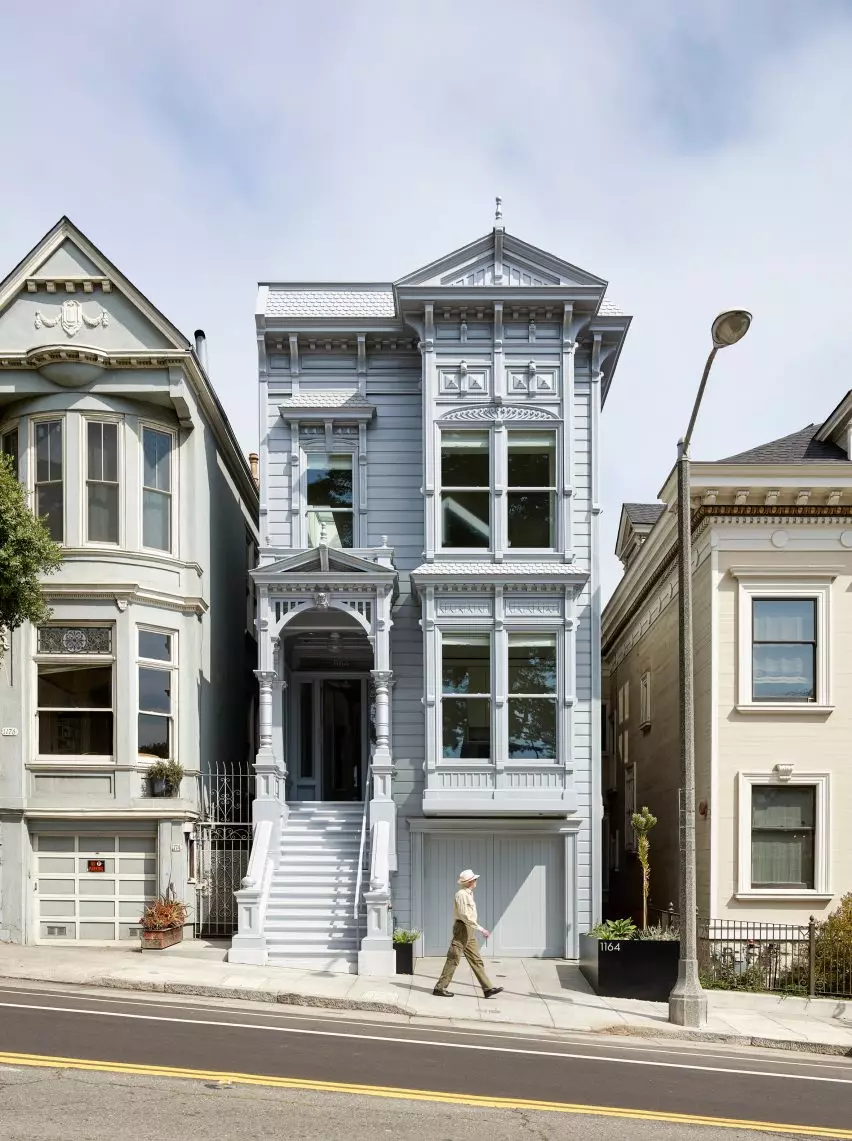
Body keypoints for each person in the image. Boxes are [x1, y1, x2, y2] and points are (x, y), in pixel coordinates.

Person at [433, 869, 503, 999]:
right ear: (470, 881)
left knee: (476, 960)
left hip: (469, 929)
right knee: (454, 957)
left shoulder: (469, 894)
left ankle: (487, 988)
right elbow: (465, 915)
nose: (476, 881)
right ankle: (440, 988)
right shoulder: (461, 895)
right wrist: (481, 929)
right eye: (475, 879)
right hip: (463, 928)